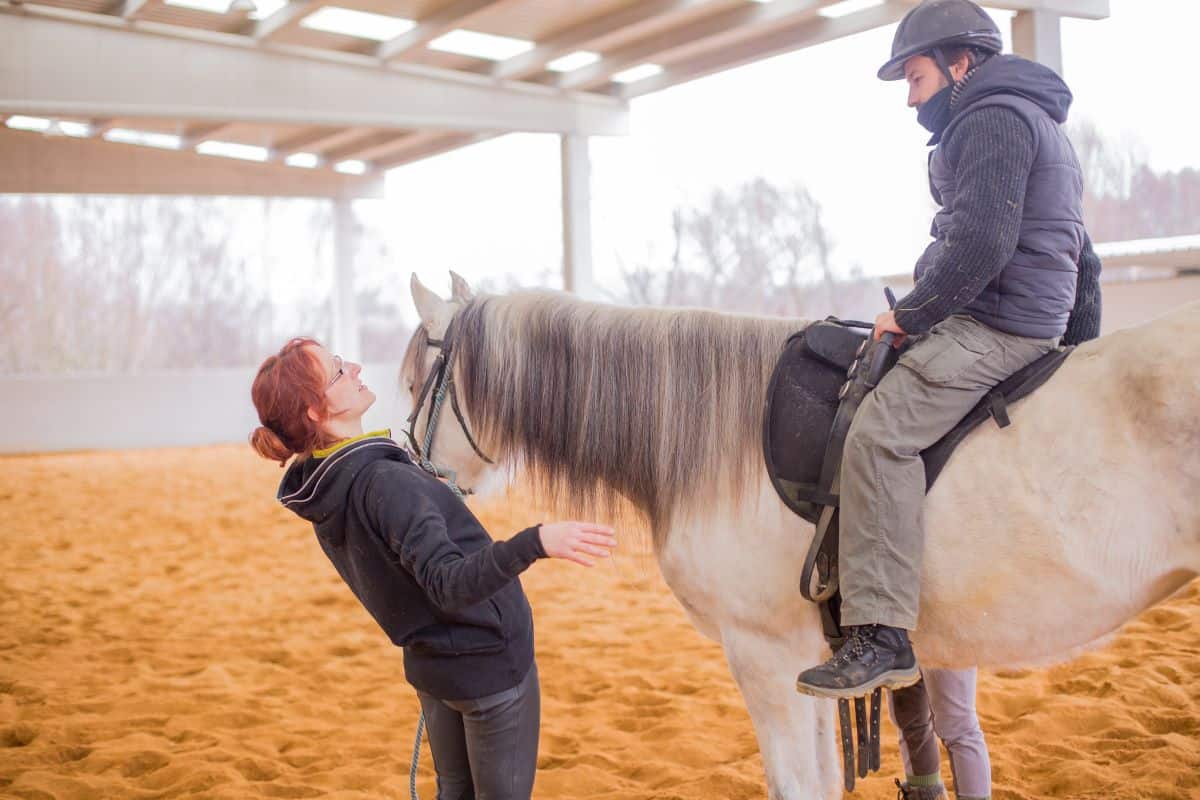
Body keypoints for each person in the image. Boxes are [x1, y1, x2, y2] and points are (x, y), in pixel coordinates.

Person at [796, 0, 1103, 797]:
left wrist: (914, 313)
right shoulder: (1038, 120)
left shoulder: (991, 116)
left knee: (878, 435)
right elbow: (1082, 253)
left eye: (917, 77)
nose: (910, 98)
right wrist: (1080, 348)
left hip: (999, 320)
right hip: (1036, 319)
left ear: (960, 63)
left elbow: (981, 242)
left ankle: (883, 634)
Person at [249, 337, 617, 800]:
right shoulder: (385, 481)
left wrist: (428, 492)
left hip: (433, 669)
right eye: (339, 372)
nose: (357, 368)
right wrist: (537, 540)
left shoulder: (326, 484)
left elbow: (396, 547)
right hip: (486, 665)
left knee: (454, 793)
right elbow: (448, 585)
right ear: (315, 412)